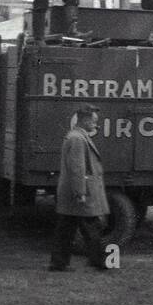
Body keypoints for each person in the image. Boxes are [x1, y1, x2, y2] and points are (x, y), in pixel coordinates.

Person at [50, 104, 110, 271]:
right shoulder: (77, 138)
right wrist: (80, 193)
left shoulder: (77, 136)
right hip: (78, 193)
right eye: (93, 121)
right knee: (91, 228)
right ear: (84, 120)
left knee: (66, 230)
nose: (95, 124)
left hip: (73, 193)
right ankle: (99, 262)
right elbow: (77, 168)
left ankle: (58, 264)